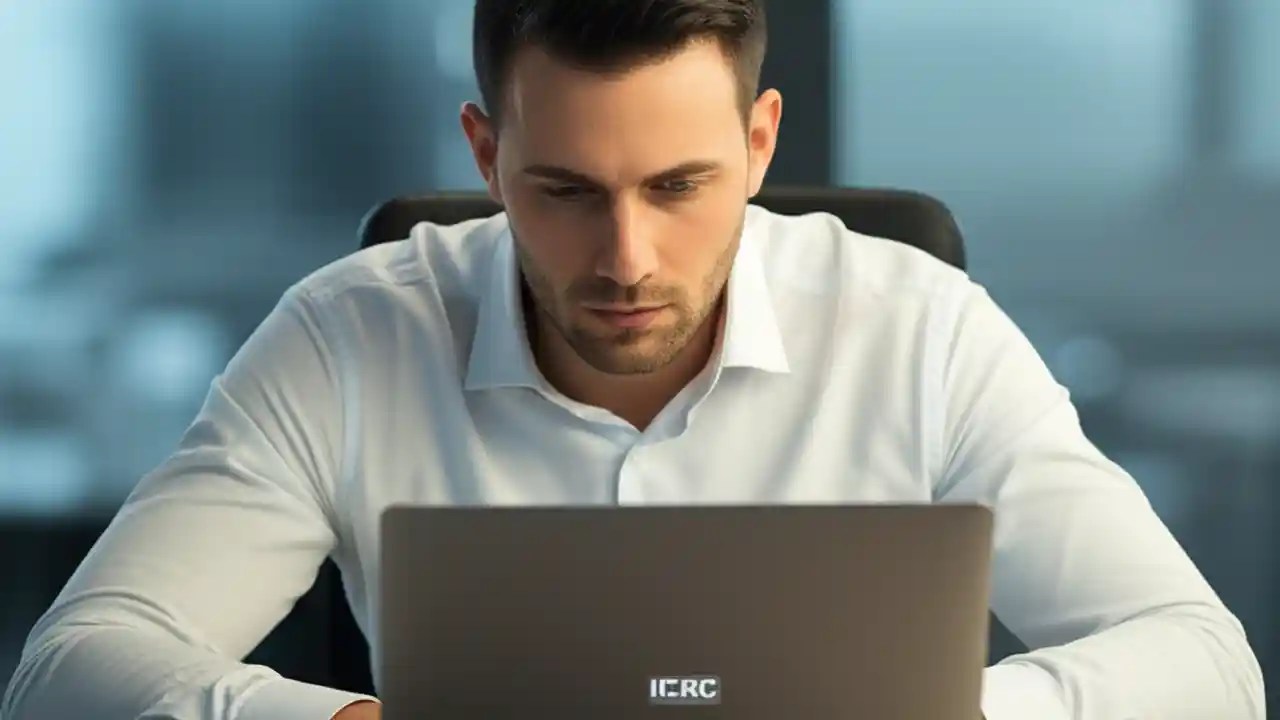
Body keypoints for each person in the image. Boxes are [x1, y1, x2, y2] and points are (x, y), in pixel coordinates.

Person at [2, 1, 1265, 718]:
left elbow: (1204, 665)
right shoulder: (348, 334)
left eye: (680, 186)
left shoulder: (919, 325)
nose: (626, 257)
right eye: (563, 190)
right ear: (484, 156)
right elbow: (70, 670)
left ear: (760, 142)